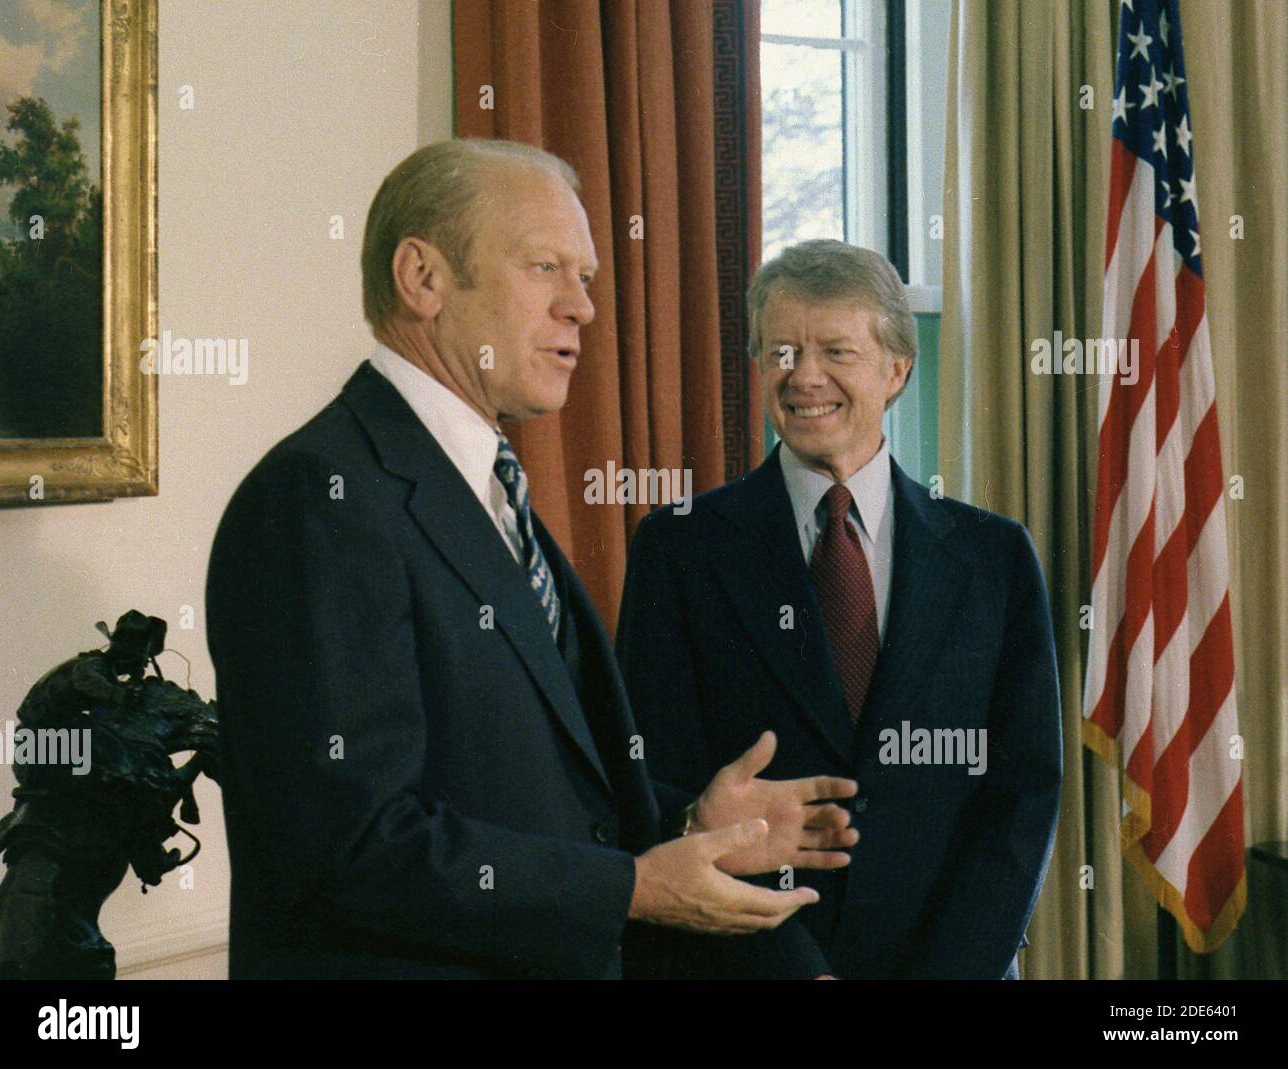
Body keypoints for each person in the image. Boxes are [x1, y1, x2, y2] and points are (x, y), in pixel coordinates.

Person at [205, 141, 858, 980]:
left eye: (585, 277)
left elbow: (539, 798)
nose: (582, 308)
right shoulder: (315, 500)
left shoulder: (484, 486)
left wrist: (692, 821)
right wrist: (631, 887)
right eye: (546, 267)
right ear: (423, 278)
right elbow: (348, 842)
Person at [617, 240, 1063, 979]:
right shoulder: (680, 548)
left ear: (896, 370)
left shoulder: (995, 556)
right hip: (748, 963)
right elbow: (654, 777)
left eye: (835, 351)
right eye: (782, 351)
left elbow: (1022, 795)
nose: (804, 377)